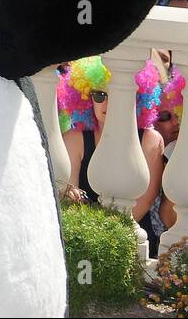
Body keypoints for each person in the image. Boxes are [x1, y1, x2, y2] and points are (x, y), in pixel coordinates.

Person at [63, 85, 166, 256]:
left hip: (133, 241)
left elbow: (145, 200)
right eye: (100, 95)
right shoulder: (73, 139)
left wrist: (106, 235)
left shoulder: (150, 140)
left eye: (119, 93)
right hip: (85, 239)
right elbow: (70, 198)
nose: (107, 103)